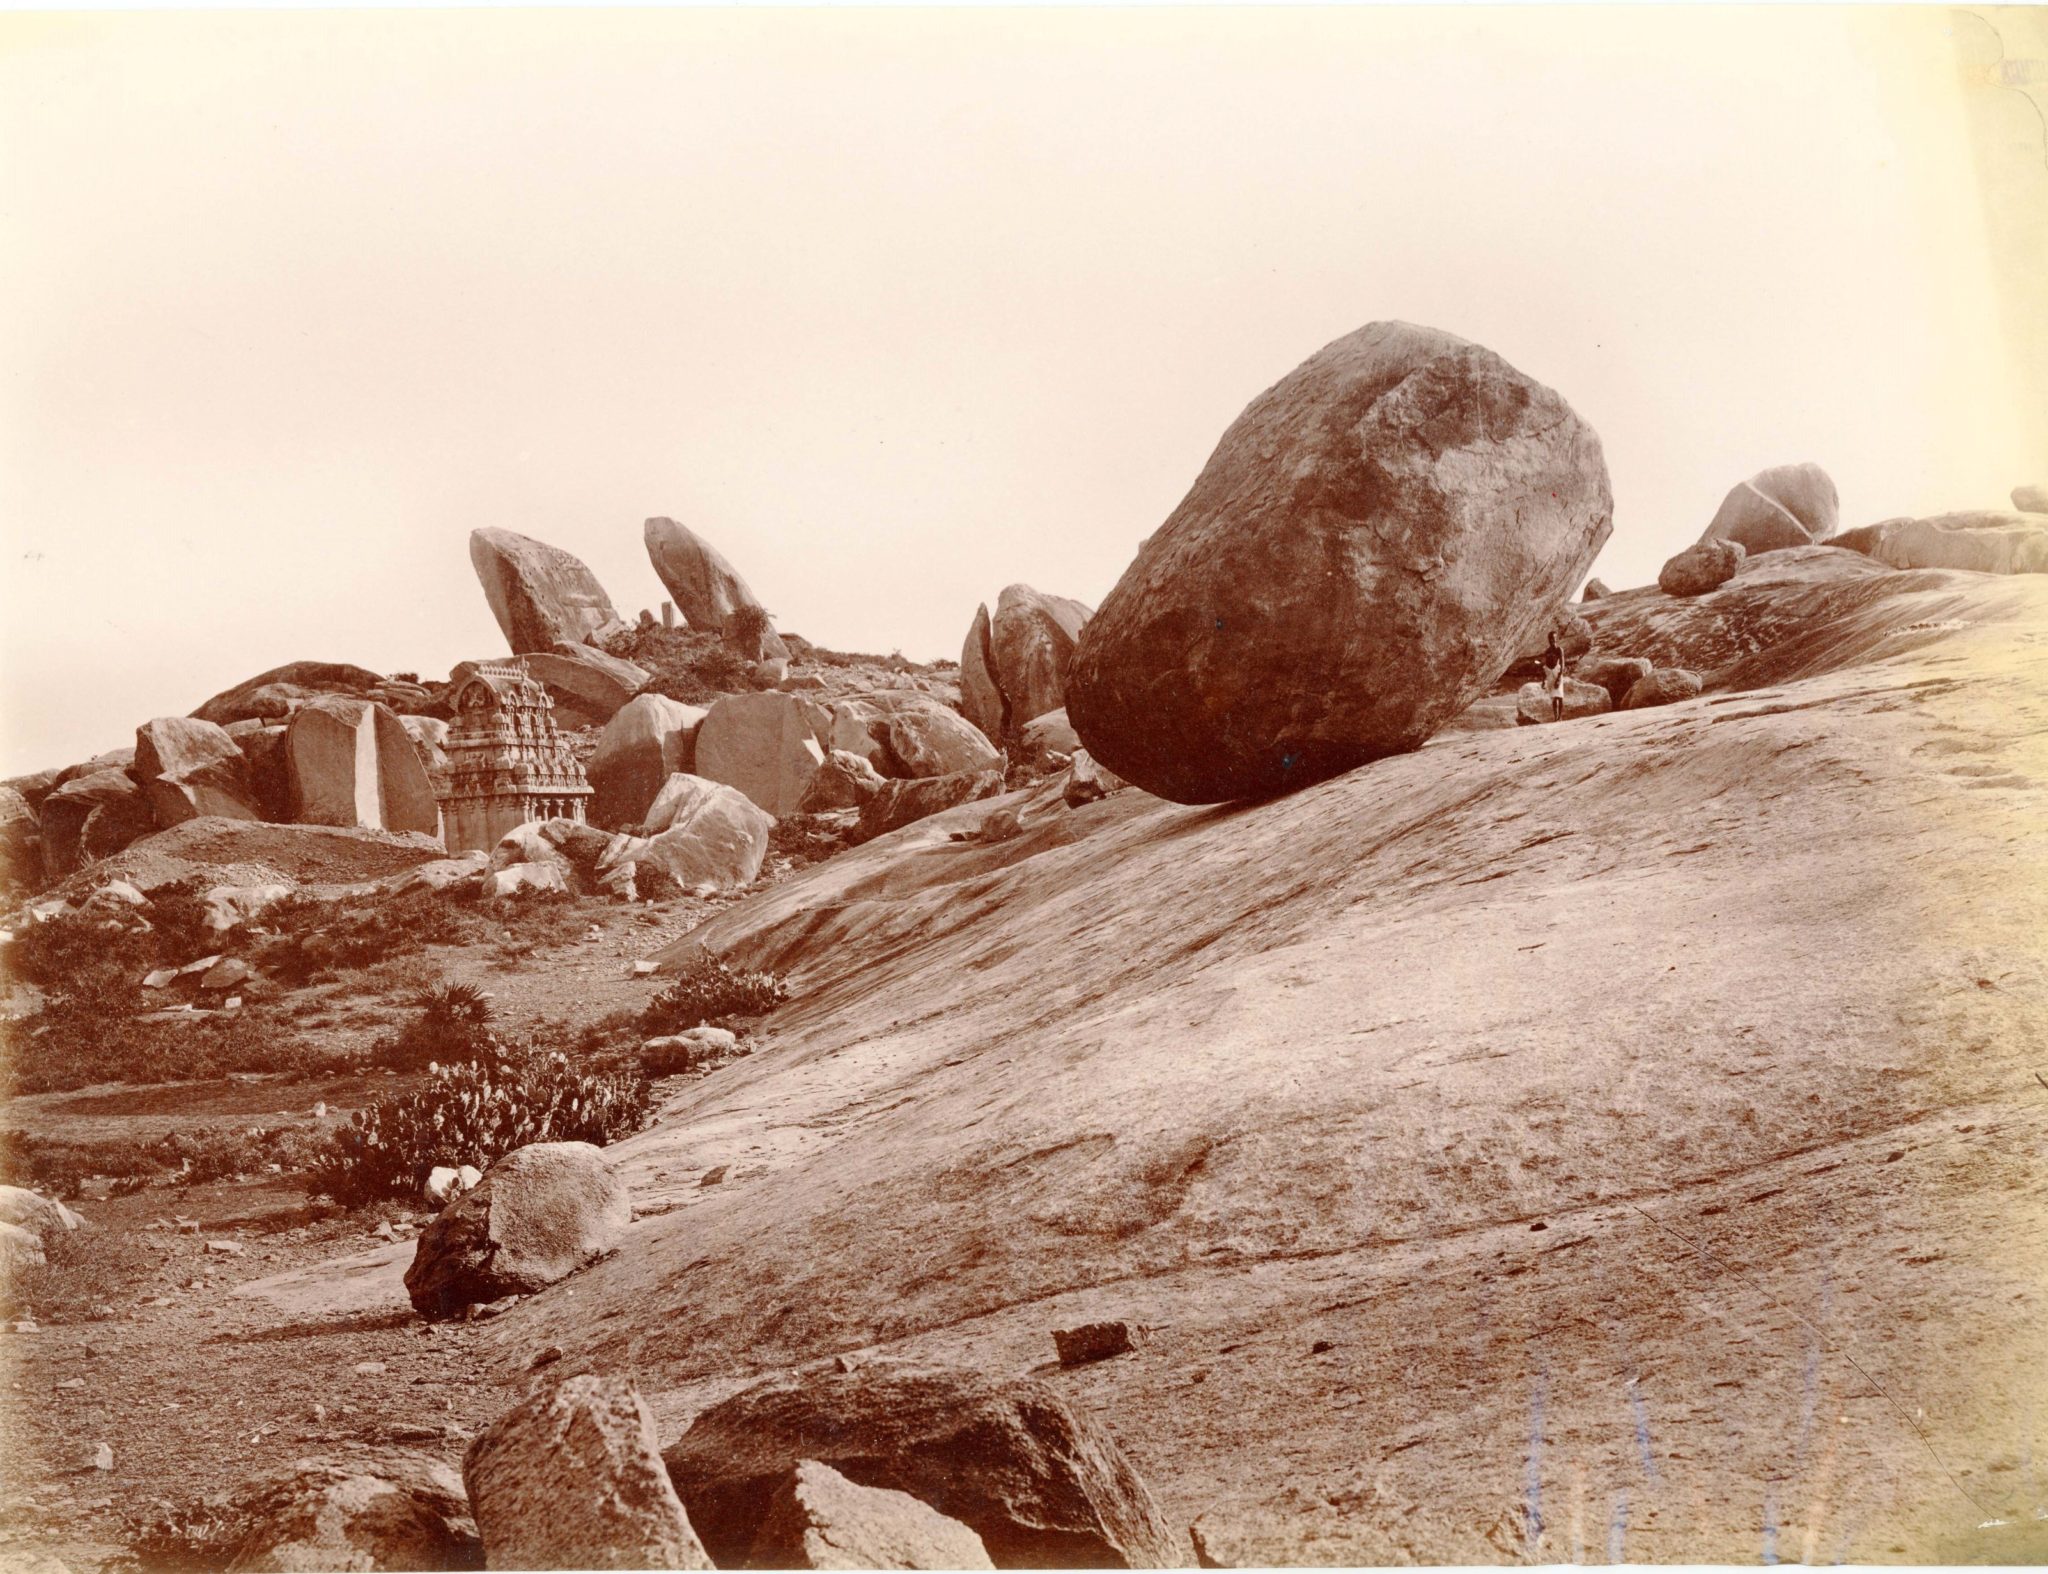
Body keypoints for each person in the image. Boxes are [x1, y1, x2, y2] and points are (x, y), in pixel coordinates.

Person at [1540, 629, 1566, 722]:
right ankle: (1556, 717)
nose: (1552, 640)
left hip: (1557, 671)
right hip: (1549, 673)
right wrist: (1543, 680)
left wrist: (1559, 677)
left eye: (1554, 638)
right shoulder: (1547, 651)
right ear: (1549, 640)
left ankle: (1560, 716)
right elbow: (1545, 666)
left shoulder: (1559, 649)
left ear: (1556, 639)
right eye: (1551, 638)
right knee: (1554, 697)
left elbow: (1562, 663)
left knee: (1560, 695)